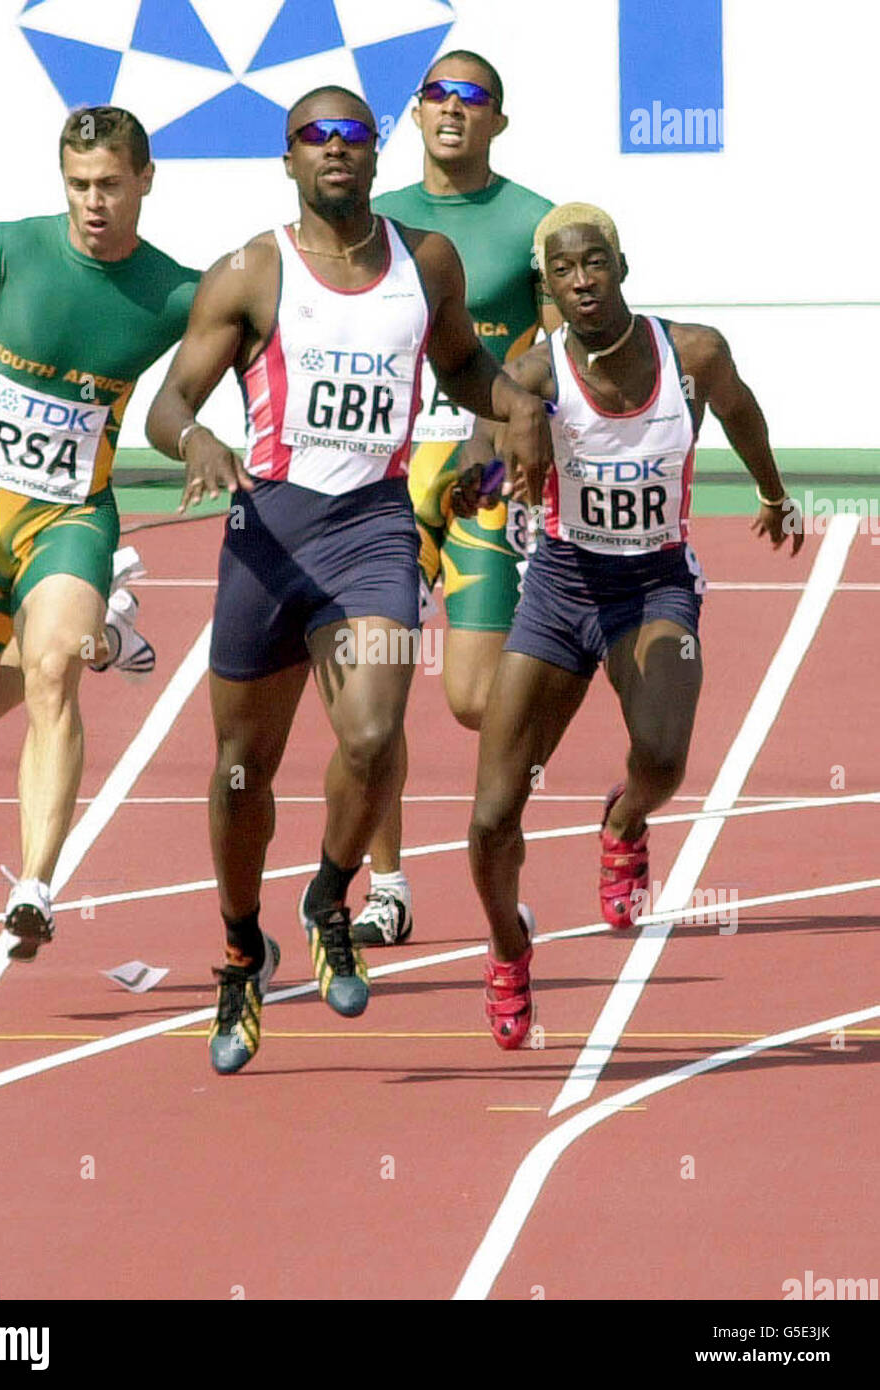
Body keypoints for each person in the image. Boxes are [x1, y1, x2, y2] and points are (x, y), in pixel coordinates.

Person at [145, 85, 551, 1075]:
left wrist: (519, 409)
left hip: (372, 529)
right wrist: (197, 440)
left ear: (377, 154)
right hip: (268, 535)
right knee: (243, 772)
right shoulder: (248, 272)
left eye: (352, 136)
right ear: (288, 158)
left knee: (373, 736)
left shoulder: (428, 262)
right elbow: (165, 405)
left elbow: (462, 368)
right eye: (314, 137)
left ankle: (328, 897)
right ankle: (243, 948)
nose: (334, 149)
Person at [459, 202, 804, 1048]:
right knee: (492, 815)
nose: (583, 282)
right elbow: (475, 471)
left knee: (663, 757)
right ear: (546, 285)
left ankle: (622, 821)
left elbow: (742, 412)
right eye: (564, 270)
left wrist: (771, 491)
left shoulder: (693, 354)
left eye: (596, 263)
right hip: (559, 587)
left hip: (654, 586)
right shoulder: (532, 373)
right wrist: (498, 472)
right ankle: (509, 946)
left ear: (622, 265)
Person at [0, 107, 199, 959]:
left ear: (145, 179)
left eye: (109, 184)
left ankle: (34, 883)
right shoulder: (9, 247)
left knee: (50, 672)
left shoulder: (175, 292)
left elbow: (260, 332)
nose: (92, 202)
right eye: (77, 185)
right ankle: (110, 635)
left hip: (70, 516)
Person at [352, 50, 558, 947]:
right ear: (417, 113)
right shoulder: (376, 220)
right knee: (374, 695)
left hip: (481, 488)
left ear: (496, 122)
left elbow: (564, 348)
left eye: (472, 98)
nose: (452, 109)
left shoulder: (533, 223)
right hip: (385, 486)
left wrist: (501, 413)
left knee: (476, 700)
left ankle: (495, 847)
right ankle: (386, 887)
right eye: (436, 94)